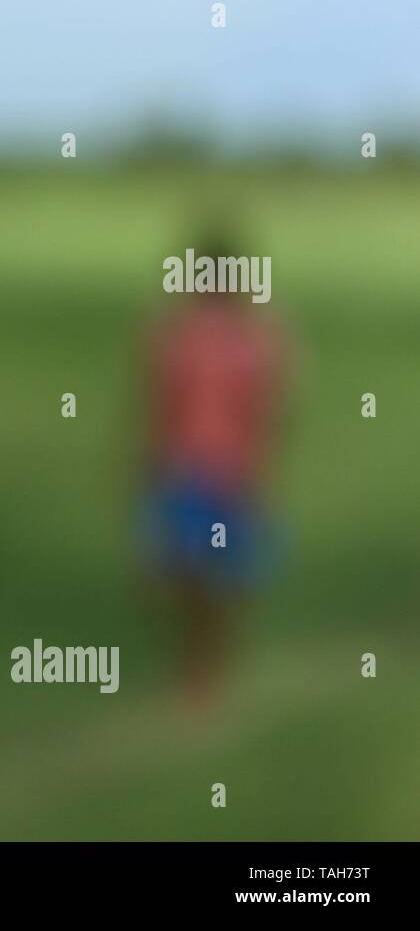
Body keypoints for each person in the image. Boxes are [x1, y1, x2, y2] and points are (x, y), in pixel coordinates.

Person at [143, 236, 287, 706]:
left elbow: (265, 409)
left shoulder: (252, 338)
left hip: (227, 471)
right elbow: (158, 406)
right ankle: (202, 668)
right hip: (191, 469)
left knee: (214, 579)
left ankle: (207, 673)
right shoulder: (178, 334)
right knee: (190, 576)